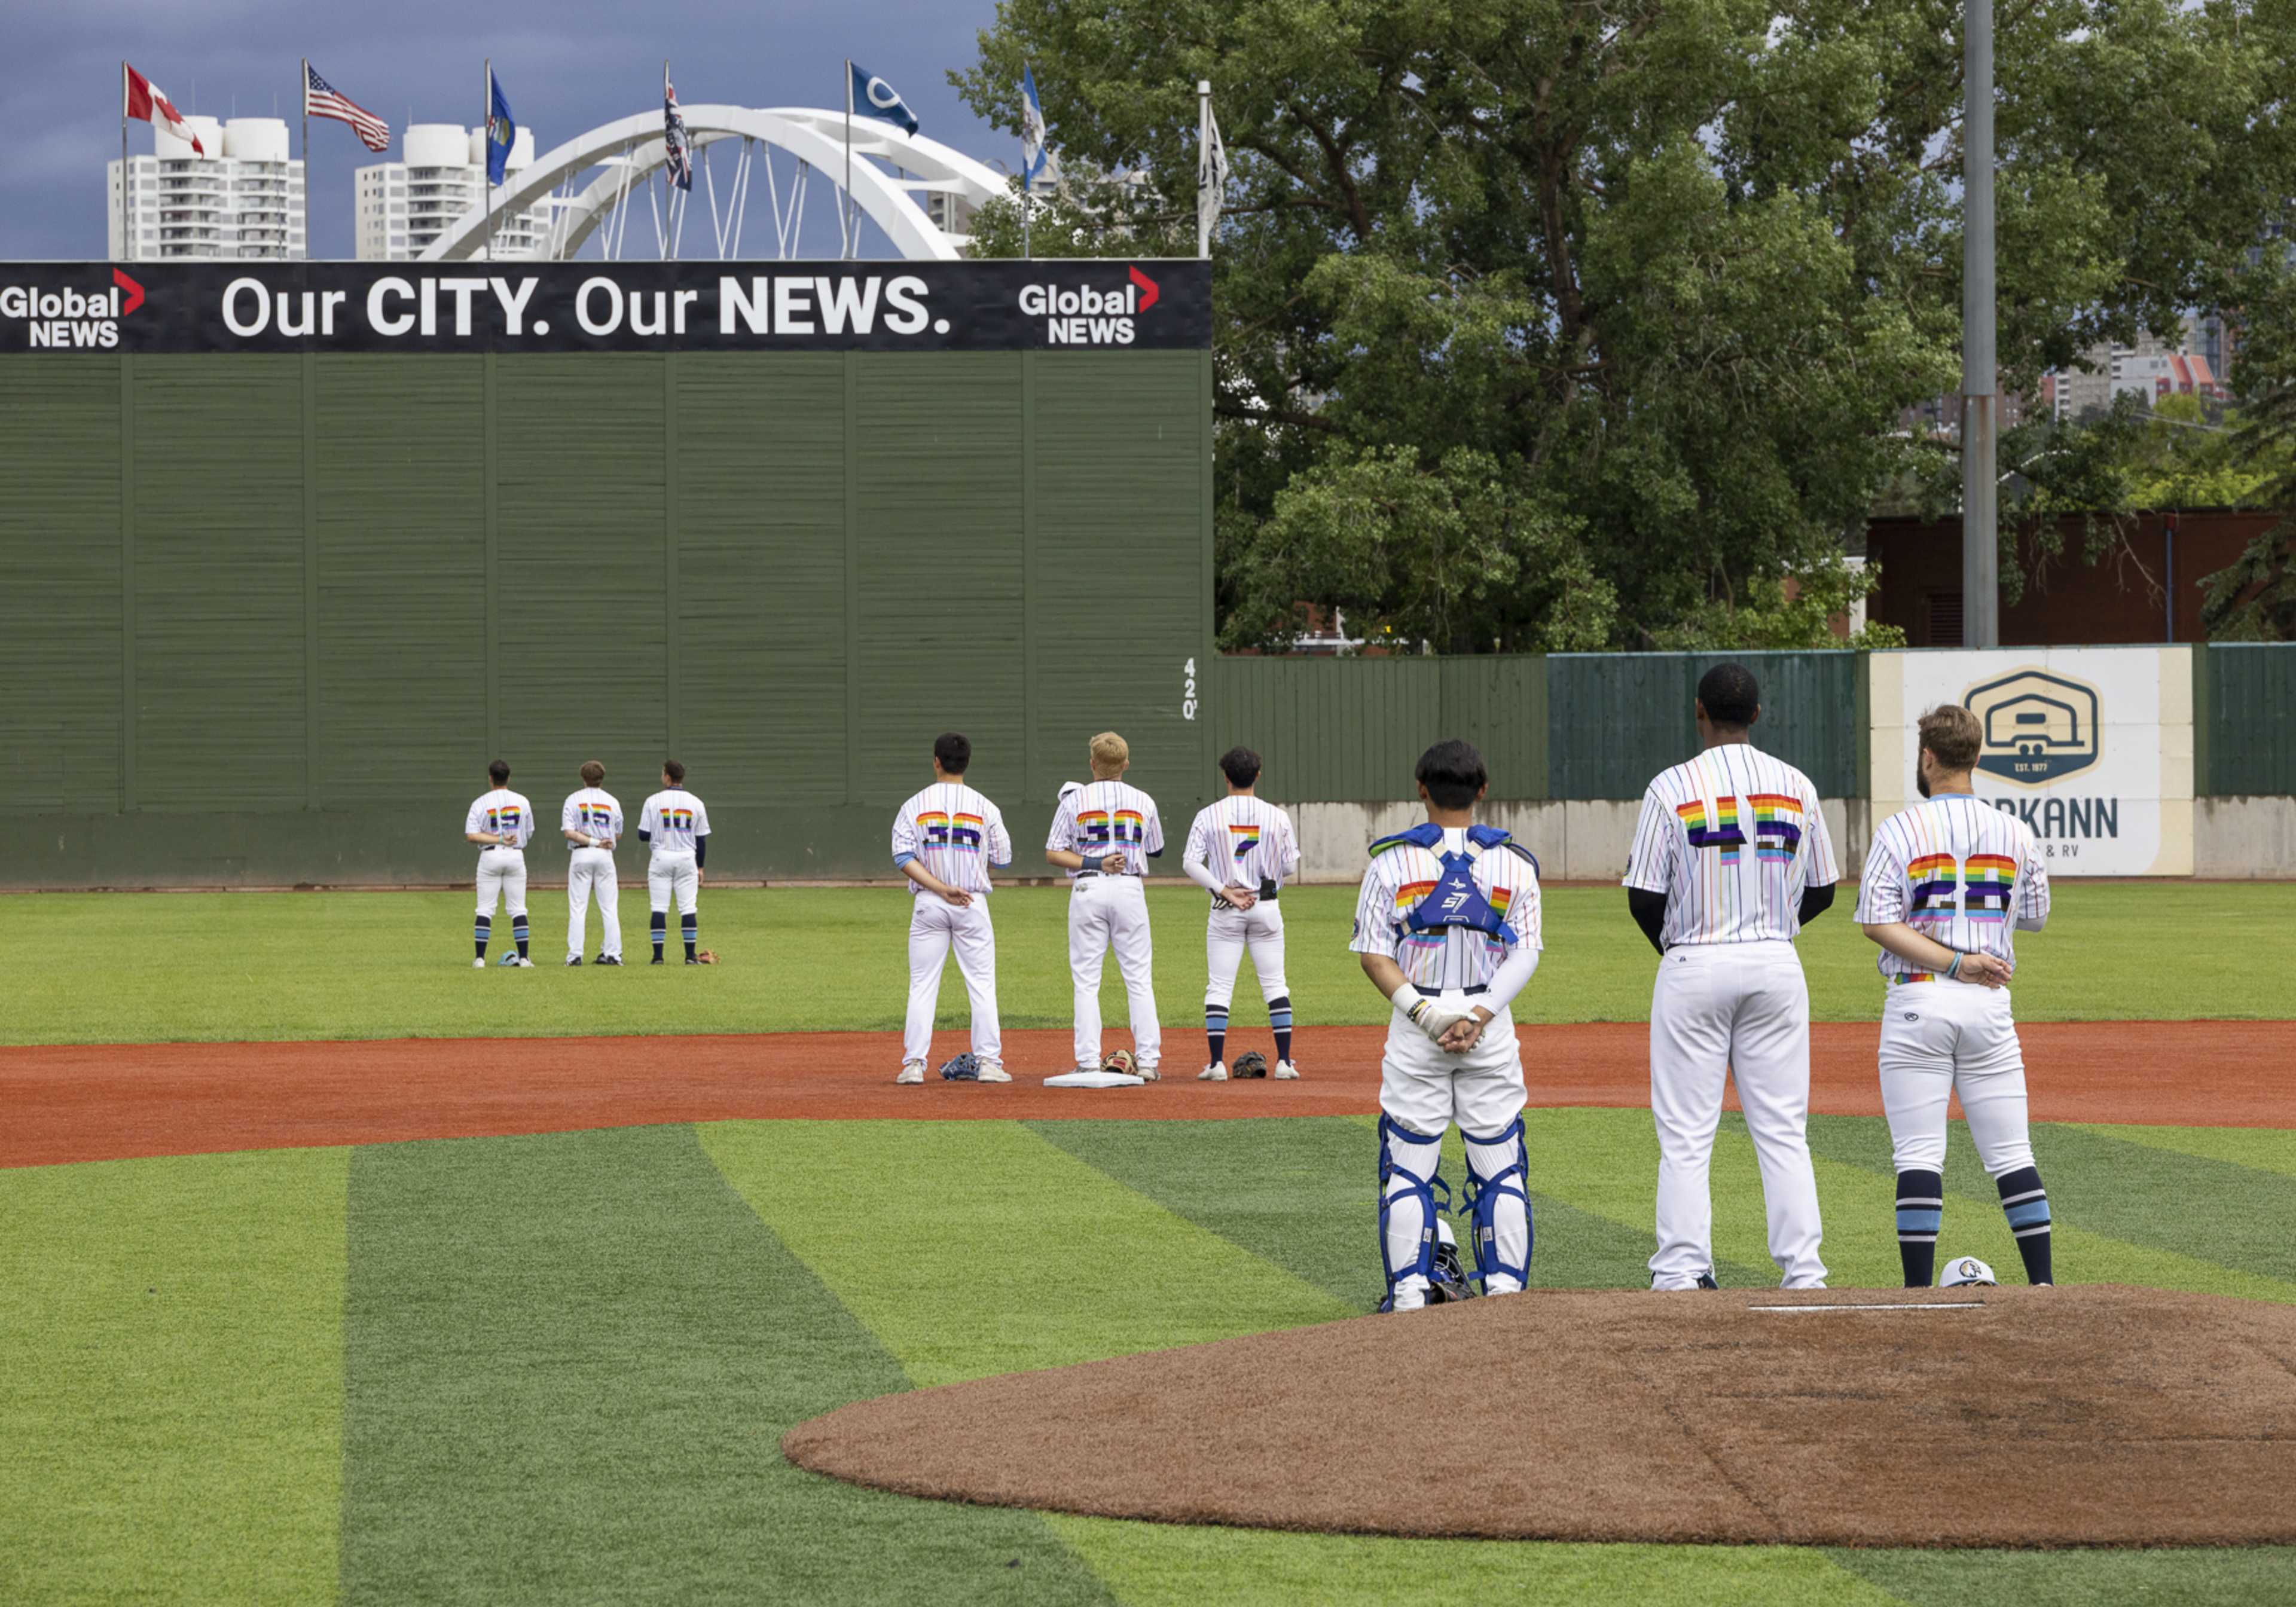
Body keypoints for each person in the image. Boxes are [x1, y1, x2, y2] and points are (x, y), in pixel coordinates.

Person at [1623, 662, 1840, 1291]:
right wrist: (1774, 928)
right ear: (1757, 716)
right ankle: (1804, 1273)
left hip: (1694, 959)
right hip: (1776, 961)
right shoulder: (1795, 784)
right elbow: (1824, 889)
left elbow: (1643, 896)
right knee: (1782, 1129)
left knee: (1687, 1133)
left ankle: (1682, 1271)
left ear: (1698, 711)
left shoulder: (1671, 786)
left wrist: (1679, 951)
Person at [1856, 703, 2055, 1287]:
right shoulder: (2015, 831)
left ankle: (1918, 1296)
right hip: (1990, 1005)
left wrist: (1952, 958)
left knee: (1918, 1156)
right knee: (2013, 1156)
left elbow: (1876, 920)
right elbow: (2038, 915)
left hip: (1919, 1000)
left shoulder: (1899, 829)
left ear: (1928, 757)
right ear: (1976, 756)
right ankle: (2043, 1289)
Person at [1351, 739, 1544, 1311]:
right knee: (1501, 1161)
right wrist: (1479, 1016)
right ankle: (1506, 1293)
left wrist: (1431, 1016)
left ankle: (1410, 1296)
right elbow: (1527, 953)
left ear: (1421, 789)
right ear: (1482, 790)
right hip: (1490, 1024)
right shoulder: (1515, 864)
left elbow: (1373, 955)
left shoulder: (1390, 863)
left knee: (1409, 1165)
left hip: (1419, 1024)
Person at [891, 733, 1013, 1085]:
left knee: (922, 986)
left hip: (930, 902)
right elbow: (1004, 860)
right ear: (967, 762)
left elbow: (902, 858)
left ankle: (914, 1064)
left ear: (936, 761)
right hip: (972, 901)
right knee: (982, 985)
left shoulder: (914, 805)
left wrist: (941, 887)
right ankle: (989, 1063)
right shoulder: (986, 807)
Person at [1046, 732, 1164, 1079]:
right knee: (1139, 979)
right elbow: (1156, 849)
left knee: (1086, 981)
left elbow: (1054, 853)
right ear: (1125, 765)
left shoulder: (1073, 800)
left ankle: (1086, 1061)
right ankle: (1148, 1063)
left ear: (1092, 764)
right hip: (1129, 889)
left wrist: (1095, 861)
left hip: (1088, 888)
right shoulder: (1143, 800)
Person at [1181, 746, 1302, 1080]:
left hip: (1225, 907)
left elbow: (1190, 862)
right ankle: (1285, 1063)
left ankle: (1217, 1065)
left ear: (1226, 777)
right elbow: (1290, 866)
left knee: (1219, 987)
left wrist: (1224, 890)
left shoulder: (1209, 815)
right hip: (1265, 904)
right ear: (1257, 776)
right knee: (1276, 984)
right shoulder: (1277, 816)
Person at [637, 760, 710, 965]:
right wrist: (700, 866)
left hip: (661, 857)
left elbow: (643, 835)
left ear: (667, 777)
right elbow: (701, 839)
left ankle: (658, 957)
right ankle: (689, 956)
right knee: (688, 908)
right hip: (687, 857)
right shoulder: (696, 803)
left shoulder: (653, 801)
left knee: (659, 907)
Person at [465, 759, 535, 967]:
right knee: (519, 909)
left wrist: (497, 839)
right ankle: (523, 958)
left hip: (490, 856)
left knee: (485, 910)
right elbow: (529, 832)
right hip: (515, 855)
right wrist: (508, 840)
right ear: (509, 777)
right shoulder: (522, 801)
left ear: (490, 778)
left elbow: (471, 835)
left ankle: (480, 959)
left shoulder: (480, 802)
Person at [561, 760, 624, 966]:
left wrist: (592, 840)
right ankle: (613, 954)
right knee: (609, 907)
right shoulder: (612, 801)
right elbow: (618, 833)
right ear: (602, 778)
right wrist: (602, 840)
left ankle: (575, 955)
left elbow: (569, 832)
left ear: (583, 778)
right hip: (605, 855)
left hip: (581, 854)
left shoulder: (573, 800)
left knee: (578, 907)